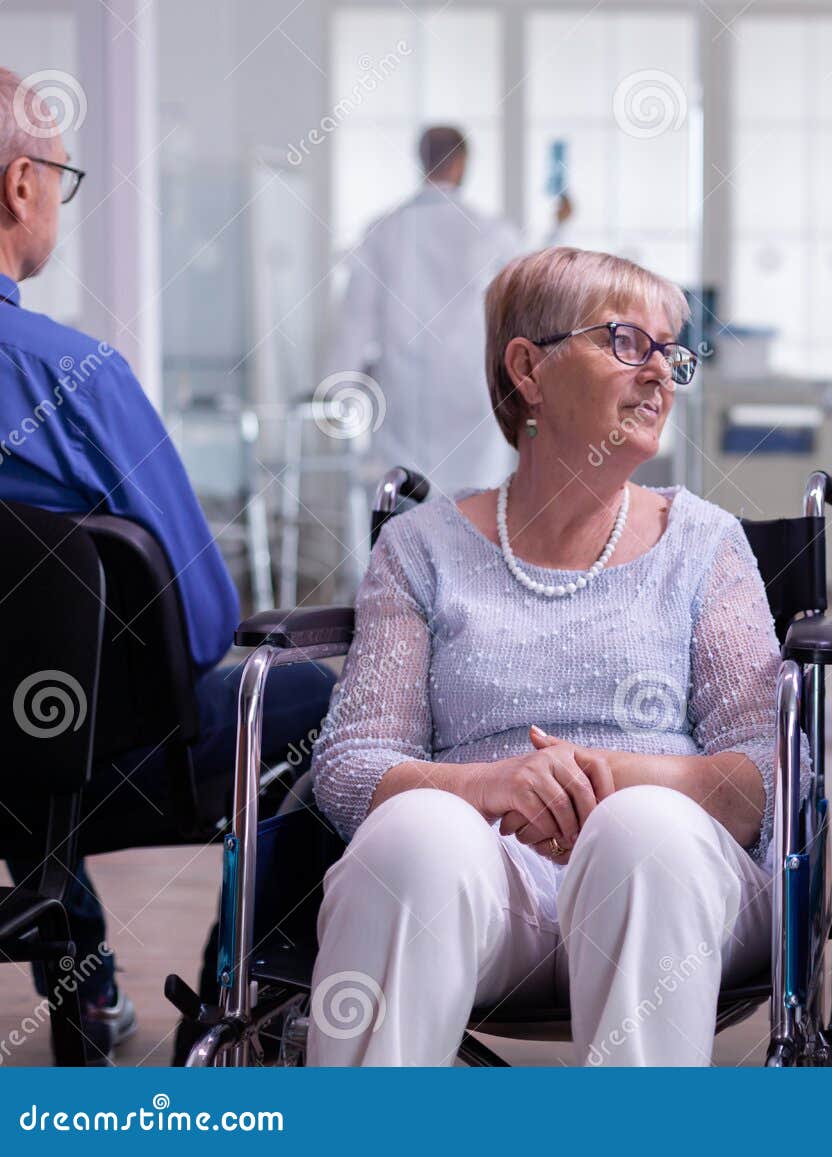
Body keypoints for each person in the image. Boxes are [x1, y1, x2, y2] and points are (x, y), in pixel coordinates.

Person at [307, 247, 783, 1066]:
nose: (660, 373)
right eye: (628, 342)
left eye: (672, 352)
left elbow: (768, 773)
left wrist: (607, 778)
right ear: (527, 367)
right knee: (414, 835)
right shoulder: (422, 550)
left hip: (676, 882)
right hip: (490, 886)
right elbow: (352, 767)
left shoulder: (707, 545)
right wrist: (488, 785)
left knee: (642, 829)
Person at [0, 67, 333, 1064]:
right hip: (78, 759)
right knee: (313, 698)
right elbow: (199, 618)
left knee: (27, 684)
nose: (61, 192)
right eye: (65, 173)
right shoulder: (66, 374)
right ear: (22, 184)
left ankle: (87, 984)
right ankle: (235, 1004)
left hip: (21, 752)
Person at [327, 125, 523, 497]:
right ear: (463, 163)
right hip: (475, 389)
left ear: (420, 159)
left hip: (406, 393)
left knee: (407, 507)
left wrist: (337, 389)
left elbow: (355, 320)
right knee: (477, 508)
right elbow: (528, 303)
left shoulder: (384, 231)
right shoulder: (492, 232)